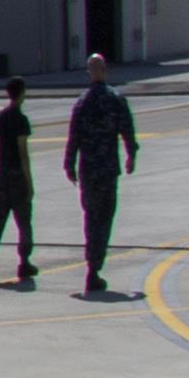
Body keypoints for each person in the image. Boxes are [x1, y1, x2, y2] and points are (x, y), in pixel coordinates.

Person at [65, 56, 141, 300]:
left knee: (91, 218)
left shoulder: (81, 103)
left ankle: (92, 266)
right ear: (105, 71)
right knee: (104, 219)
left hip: (88, 171)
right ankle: (95, 267)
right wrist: (131, 156)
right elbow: (127, 131)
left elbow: (73, 137)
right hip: (107, 170)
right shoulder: (115, 99)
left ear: (89, 72)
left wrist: (69, 164)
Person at [0, 73, 41, 287]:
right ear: (22, 93)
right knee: (24, 222)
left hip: (1, 174)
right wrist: (30, 183)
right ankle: (24, 261)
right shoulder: (21, 120)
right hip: (16, 176)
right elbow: (23, 153)